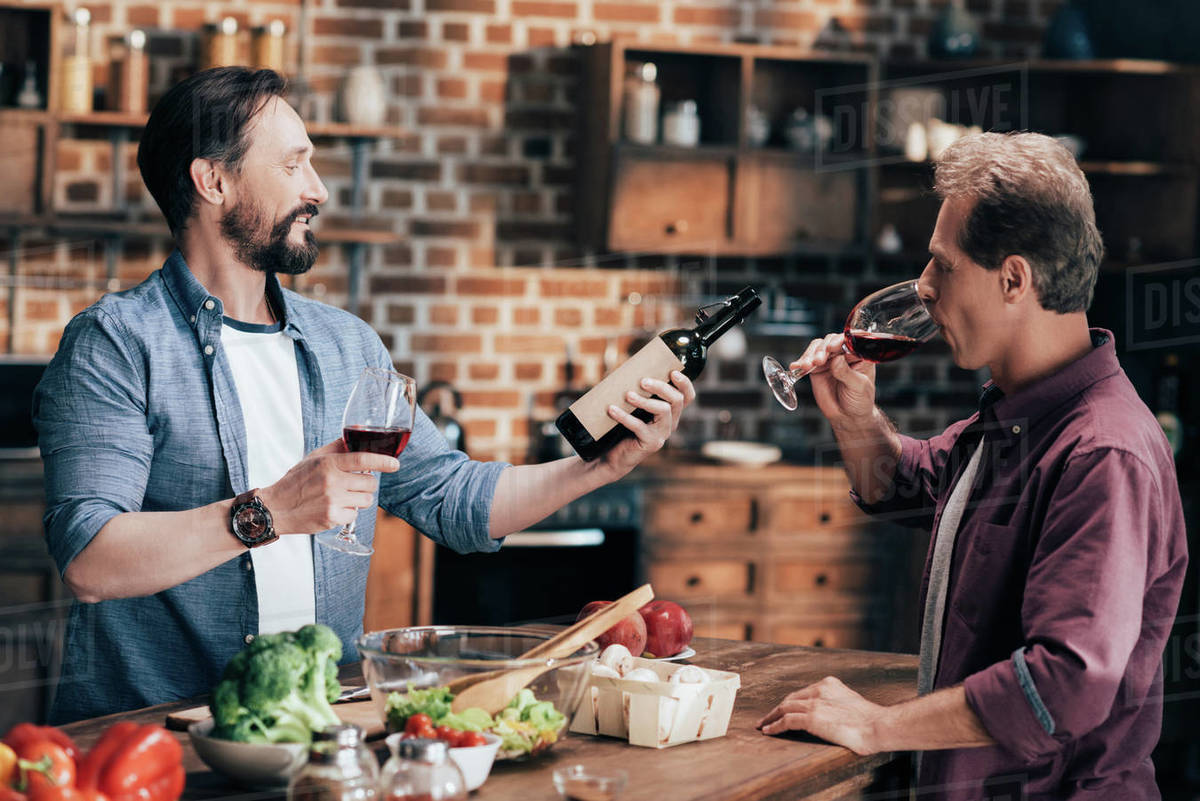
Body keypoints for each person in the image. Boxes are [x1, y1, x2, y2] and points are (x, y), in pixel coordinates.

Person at [33, 67, 695, 723]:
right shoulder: (116, 343)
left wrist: (599, 465)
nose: (317, 189)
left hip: (319, 729)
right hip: (158, 743)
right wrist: (272, 511)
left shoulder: (347, 347)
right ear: (214, 181)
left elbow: (455, 497)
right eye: (294, 165)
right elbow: (92, 557)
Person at [757, 132, 1187, 800]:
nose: (923, 289)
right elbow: (913, 486)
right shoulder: (1018, 417)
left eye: (942, 266)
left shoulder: (1103, 451)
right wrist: (854, 419)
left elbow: (1066, 682)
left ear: (1014, 279)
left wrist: (878, 724)